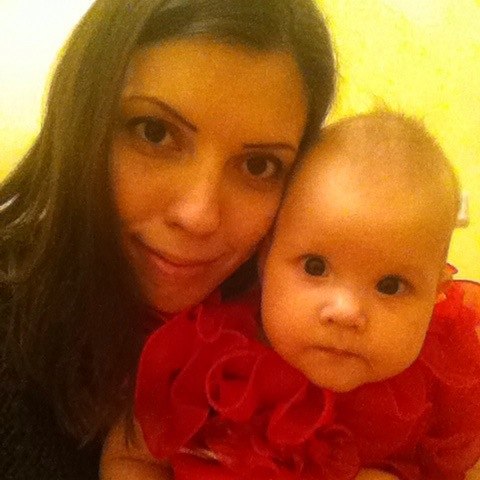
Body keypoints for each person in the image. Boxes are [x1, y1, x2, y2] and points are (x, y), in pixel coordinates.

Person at [0, 1, 336, 478]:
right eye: (155, 133)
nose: (198, 216)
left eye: (259, 165)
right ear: (82, 117)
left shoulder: (298, 322)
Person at [122, 112, 480, 480]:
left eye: (390, 286)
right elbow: (130, 458)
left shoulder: (442, 391)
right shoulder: (205, 363)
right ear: (265, 256)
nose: (345, 311)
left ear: (436, 295)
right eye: (315, 266)